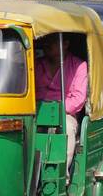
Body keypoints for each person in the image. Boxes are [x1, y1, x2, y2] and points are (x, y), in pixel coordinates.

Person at [35, 34, 88, 177]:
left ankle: (60, 175)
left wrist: (54, 109)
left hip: (64, 114)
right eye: (45, 42)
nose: (47, 45)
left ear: (65, 44)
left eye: (51, 42)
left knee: (67, 129)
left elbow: (78, 99)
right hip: (35, 112)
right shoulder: (35, 64)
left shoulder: (79, 66)